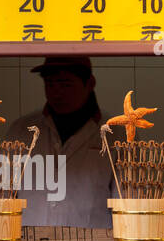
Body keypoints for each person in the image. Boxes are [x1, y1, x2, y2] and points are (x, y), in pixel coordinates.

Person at [7, 56, 114, 229]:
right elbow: (1, 196)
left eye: (65, 85)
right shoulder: (21, 130)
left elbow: (127, 201)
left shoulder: (116, 133)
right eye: (50, 84)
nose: (56, 93)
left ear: (90, 83)